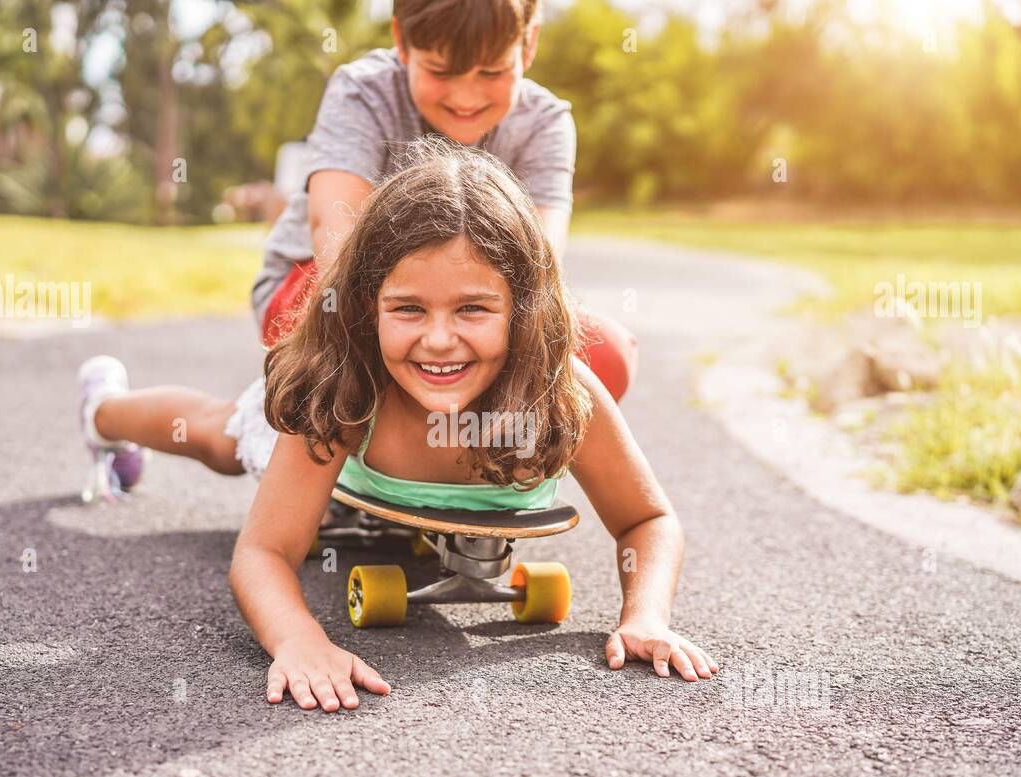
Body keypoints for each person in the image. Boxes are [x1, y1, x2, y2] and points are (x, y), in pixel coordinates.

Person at [77, 142, 716, 712]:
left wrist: (646, 615)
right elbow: (264, 552)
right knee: (218, 437)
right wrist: (299, 641)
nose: (440, 341)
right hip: (338, 439)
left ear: (524, 310)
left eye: (473, 308)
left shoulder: (561, 392)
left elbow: (647, 520)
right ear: (366, 306)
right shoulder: (344, 386)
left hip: (399, 490)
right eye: (408, 308)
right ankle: (105, 410)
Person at [253, 0, 637, 403]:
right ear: (402, 41)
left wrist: (486, 338)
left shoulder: (545, 122)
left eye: (492, 71)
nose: (465, 96)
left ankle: (454, 444)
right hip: (327, 288)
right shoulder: (363, 91)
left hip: (470, 309)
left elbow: (539, 273)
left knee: (608, 354)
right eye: (440, 71)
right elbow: (335, 239)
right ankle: (354, 414)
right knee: (357, 332)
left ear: (528, 45)